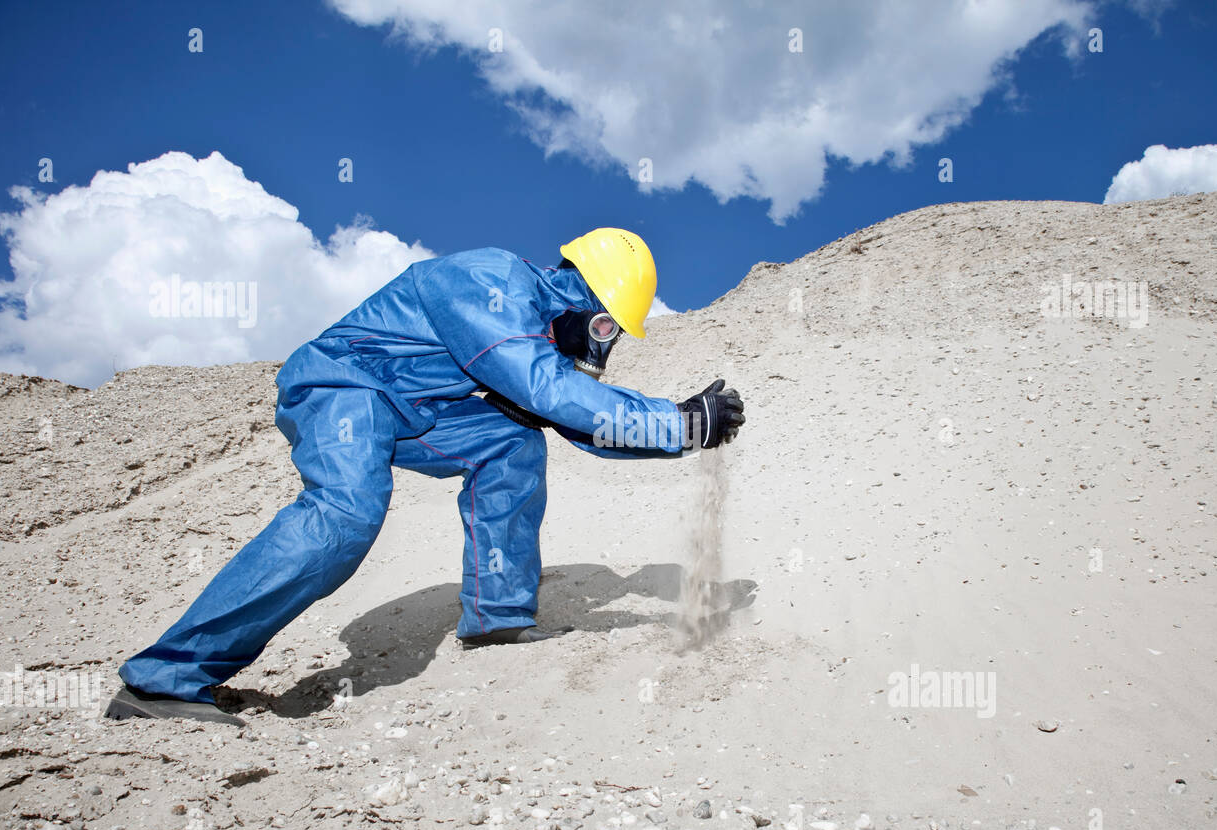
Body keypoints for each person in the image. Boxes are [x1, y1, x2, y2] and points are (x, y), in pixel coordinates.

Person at [104, 228, 745, 725]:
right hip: (344, 385)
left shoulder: (533, 336)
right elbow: (542, 386)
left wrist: (684, 432)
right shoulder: (491, 281)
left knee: (513, 444)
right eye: (605, 328)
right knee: (349, 510)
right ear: (583, 294)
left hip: (421, 412)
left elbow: (578, 423)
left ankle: (498, 617)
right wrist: (672, 419)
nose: (601, 346)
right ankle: (166, 675)